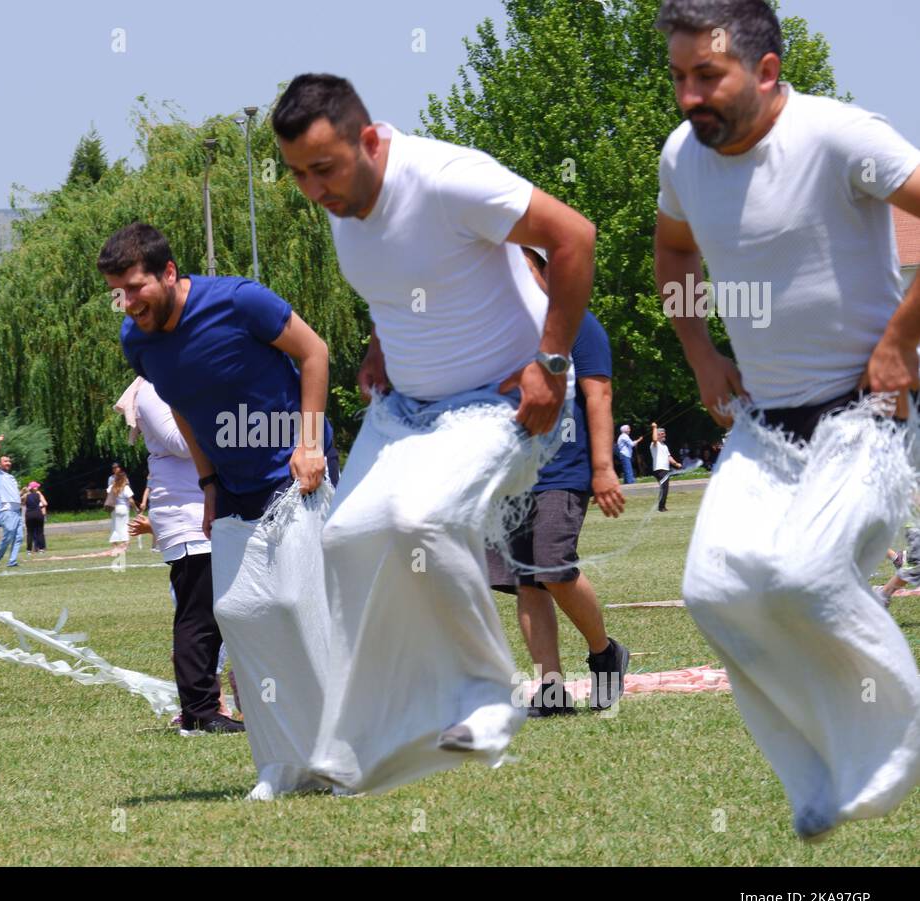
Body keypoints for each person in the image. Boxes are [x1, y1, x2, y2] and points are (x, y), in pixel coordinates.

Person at [272, 72, 594, 794]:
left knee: (420, 520)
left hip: (502, 403)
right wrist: (386, 343)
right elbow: (409, 282)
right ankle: (369, 737)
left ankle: (485, 695)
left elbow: (574, 237)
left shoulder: (448, 179)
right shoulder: (340, 201)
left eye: (324, 169)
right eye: (297, 176)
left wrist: (552, 361)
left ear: (371, 138)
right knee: (347, 536)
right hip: (406, 411)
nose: (314, 190)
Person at [654, 0, 920, 838]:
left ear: (766, 72)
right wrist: (699, 352)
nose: (690, 96)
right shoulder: (682, 158)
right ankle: (814, 775)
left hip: (868, 416)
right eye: (679, 78)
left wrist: (899, 342)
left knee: (807, 576)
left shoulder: (841, 134)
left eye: (709, 75)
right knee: (713, 587)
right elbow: (673, 251)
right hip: (766, 424)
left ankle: (891, 748)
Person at [98, 222, 334, 766]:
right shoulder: (138, 342)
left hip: (293, 471)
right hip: (229, 488)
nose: (127, 303)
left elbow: (315, 352)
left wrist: (310, 443)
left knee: (299, 606)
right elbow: (181, 405)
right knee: (239, 613)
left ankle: (346, 739)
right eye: (118, 292)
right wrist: (208, 485)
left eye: (135, 288)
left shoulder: (239, 300)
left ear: (170, 273)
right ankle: (279, 763)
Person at [486, 246, 629, 716]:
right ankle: (551, 687)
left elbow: (599, 395)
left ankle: (605, 653)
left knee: (552, 565)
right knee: (525, 580)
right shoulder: (501, 331)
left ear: (547, 271)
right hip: (512, 475)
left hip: (563, 470)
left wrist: (604, 467)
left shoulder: (577, 324)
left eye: (525, 269)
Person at [117, 376, 241, 734]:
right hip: (188, 517)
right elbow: (179, 441)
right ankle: (200, 713)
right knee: (199, 618)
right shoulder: (155, 387)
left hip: (213, 513)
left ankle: (209, 708)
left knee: (219, 616)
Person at [0, 434, 23, 568]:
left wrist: (23, 493)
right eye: (5, 461)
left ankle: (12, 561)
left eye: (9, 461)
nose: (8, 463)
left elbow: (14, 495)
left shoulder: (11, 478)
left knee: (19, 537)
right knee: (8, 535)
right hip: (7, 510)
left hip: (17, 511)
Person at [649, 424, 681, 511]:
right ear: (658, 434)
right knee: (664, 487)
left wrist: (676, 464)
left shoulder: (664, 446)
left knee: (665, 487)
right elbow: (654, 439)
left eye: (664, 433)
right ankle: (661, 507)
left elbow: (669, 457)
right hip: (659, 469)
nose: (664, 435)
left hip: (665, 469)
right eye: (662, 433)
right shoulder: (654, 444)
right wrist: (654, 428)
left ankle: (662, 506)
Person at [105, 463, 135, 553]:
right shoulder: (125, 487)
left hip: (114, 508)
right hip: (124, 508)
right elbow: (131, 500)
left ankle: (115, 546)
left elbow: (109, 495)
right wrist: (136, 509)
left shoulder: (111, 486)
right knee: (125, 526)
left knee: (114, 527)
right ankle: (125, 546)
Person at [23, 481, 47, 554]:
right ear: (34, 488)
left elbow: (23, 503)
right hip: (38, 513)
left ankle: (29, 550)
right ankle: (41, 549)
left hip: (29, 514)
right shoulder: (38, 494)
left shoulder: (26, 495)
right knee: (40, 532)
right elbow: (45, 503)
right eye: (36, 486)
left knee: (29, 532)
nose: (38, 487)